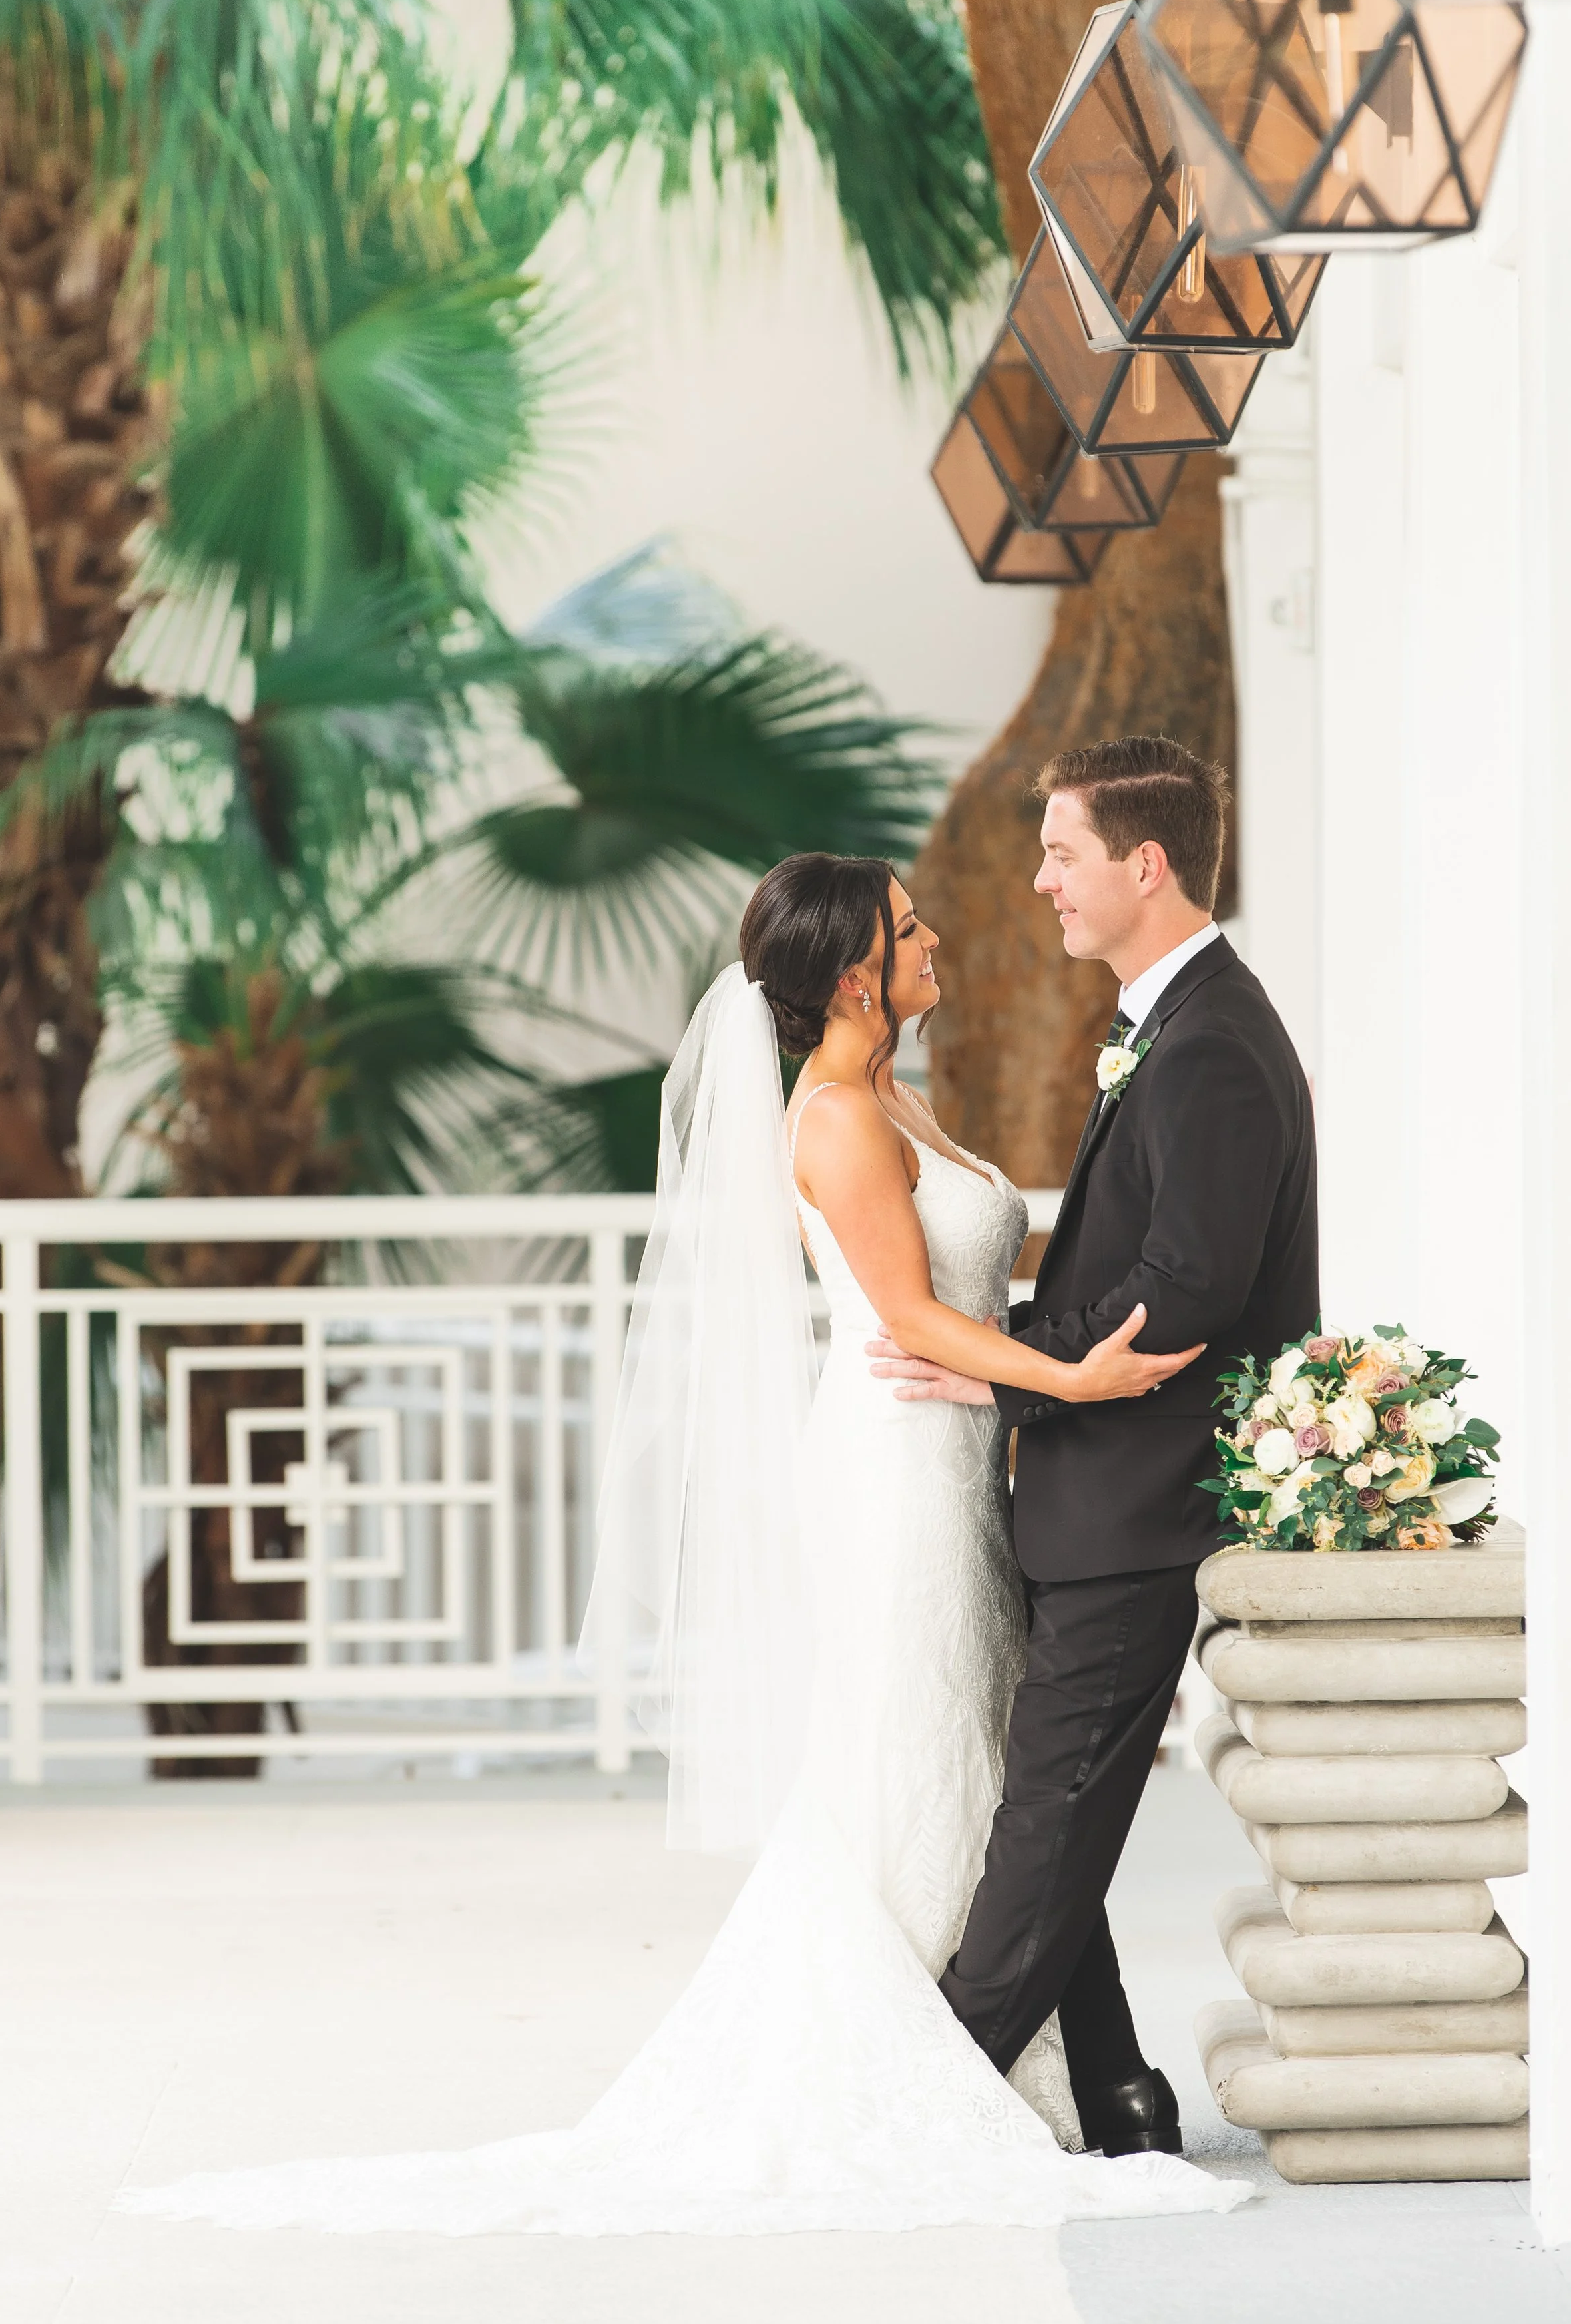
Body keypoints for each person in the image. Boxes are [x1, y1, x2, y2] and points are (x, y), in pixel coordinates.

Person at [118, 840, 1251, 2240]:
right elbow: (900, 1316)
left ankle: (1060, 2071)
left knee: (981, 1756)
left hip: (955, 1465)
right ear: (854, 975)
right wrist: (1069, 1380)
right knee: (914, 1745)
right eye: (909, 931)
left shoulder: (890, 1093)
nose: (937, 939)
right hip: (894, 1470)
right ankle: (924, 2071)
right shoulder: (833, 1115)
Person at [870, 736, 1319, 2159]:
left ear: (1146, 864)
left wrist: (1017, 1381)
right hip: (1099, 1497)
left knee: (1047, 1821)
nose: (1038, 880)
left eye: (1061, 852)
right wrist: (1005, 1356)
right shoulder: (1171, 1025)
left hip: (1141, 1502)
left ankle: (924, 2099)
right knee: (1046, 1814)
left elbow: (1184, 1288)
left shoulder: (1210, 1048)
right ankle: (1117, 2095)